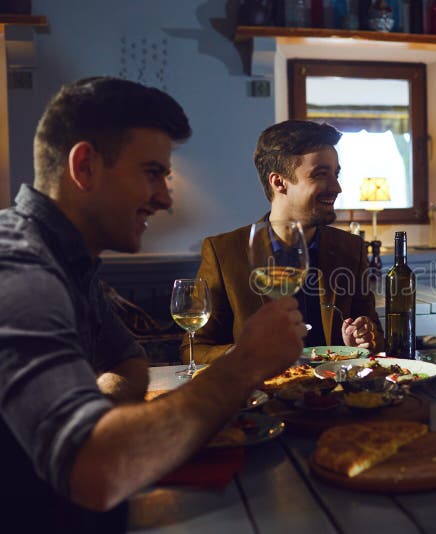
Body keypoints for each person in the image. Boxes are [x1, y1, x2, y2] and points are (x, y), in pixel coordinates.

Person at [0, 77, 306, 531]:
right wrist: (245, 363)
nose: (165, 197)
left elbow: (128, 358)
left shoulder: (69, 258)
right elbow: (97, 472)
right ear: (84, 166)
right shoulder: (19, 270)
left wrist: (103, 417)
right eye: (151, 172)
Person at [182, 119, 383, 364]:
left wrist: (362, 340)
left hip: (332, 394)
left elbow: (375, 338)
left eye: (336, 174)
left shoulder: (351, 248)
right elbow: (194, 348)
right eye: (321, 174)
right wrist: (246, 352)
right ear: (279, 183)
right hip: (263, 396)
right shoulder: (223, 252)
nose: (336, 187)